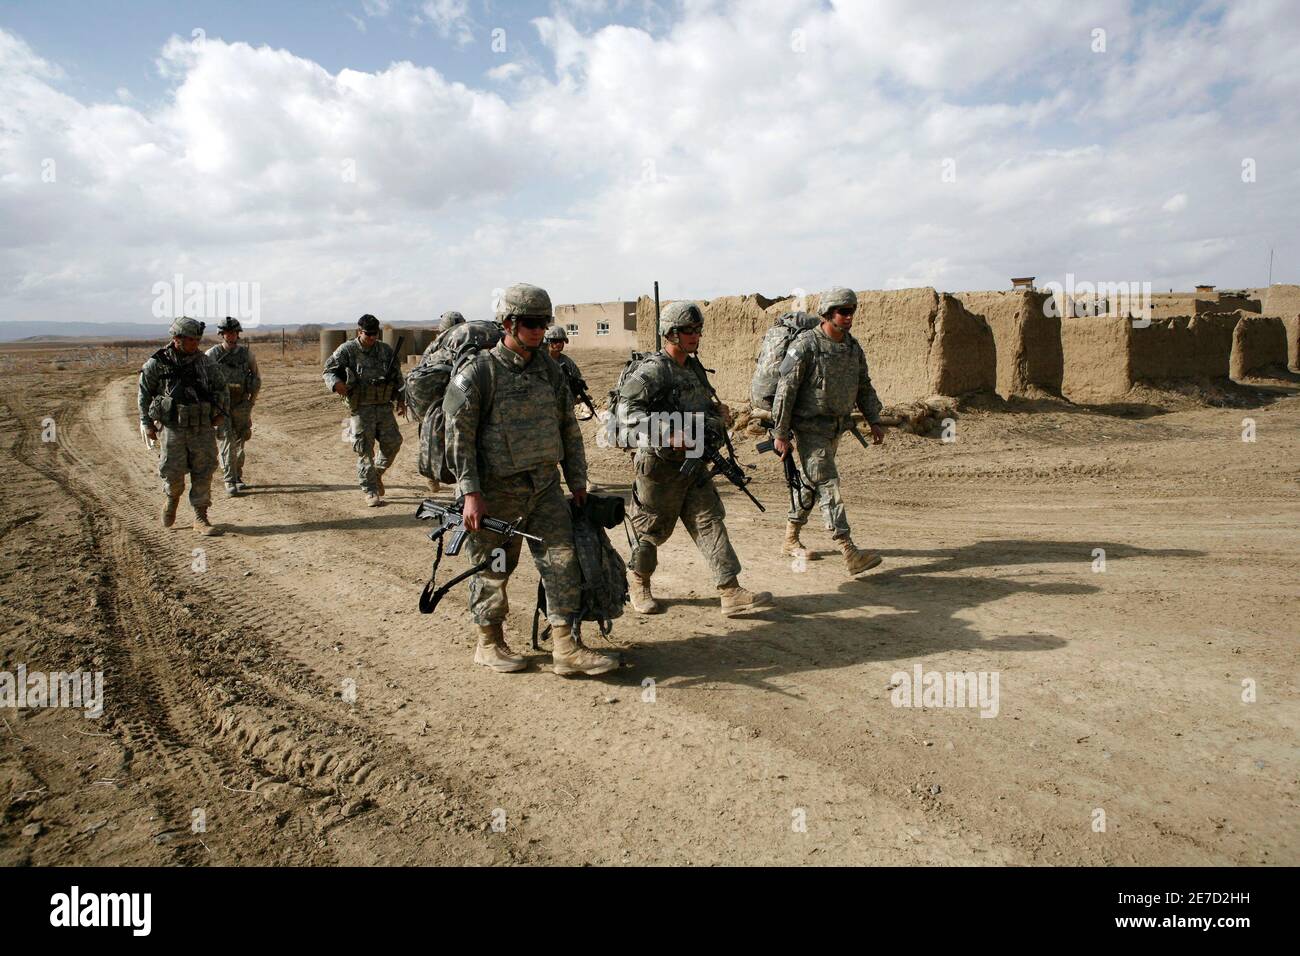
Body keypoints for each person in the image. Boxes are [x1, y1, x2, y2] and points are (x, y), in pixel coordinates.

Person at [443, 283, 616, 677]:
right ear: (508, 323)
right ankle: (488, 643)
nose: (539, 331)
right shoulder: (479, 372)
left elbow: (568, 427)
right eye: (530, 323)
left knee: (562, 562)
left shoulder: (550, 371)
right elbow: (459, 438)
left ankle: (565, 647)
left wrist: (577, 480)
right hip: (495, 493)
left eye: (544, 323)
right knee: (495, 567)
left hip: (543, 489)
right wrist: (470, 493)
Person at [617, 301, 773, 617]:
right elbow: (624, 414)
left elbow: (699, 407)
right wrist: (666, 432)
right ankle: (638, 580)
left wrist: (718, 415)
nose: (695, 335)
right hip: (660, 467)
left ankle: (730, 590)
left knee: (709, 520)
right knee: (652, 530)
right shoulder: (654, 370)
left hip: (695, 461)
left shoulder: (694, 368)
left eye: (698, 330)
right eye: (688, 330)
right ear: (671, 333)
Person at [770, 286, 885, 575]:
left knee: (811, 483)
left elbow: (863, 384)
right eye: (843, 312)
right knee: (828, 482)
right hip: (809, 427)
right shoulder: (805, 345)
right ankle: (848, 549)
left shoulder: (851, 347)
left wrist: (874, 419)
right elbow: (786, 390)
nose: (848, 317)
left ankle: (789, 538)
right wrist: (780, 434)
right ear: (827, 314)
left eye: (851, 312)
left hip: (836, 426)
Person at [138, 317, 230, 535]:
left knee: (204, 470)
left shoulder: (205, 362)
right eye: (190, 340)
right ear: (176, 338)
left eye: (197, 340)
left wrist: (221, 415)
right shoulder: (157, 363)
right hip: (173, 429)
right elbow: (144, 394)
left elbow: (222, 389)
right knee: (173, 472)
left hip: (202, 427)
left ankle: (201, 518)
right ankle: (171, 499)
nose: (195, 344)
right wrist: (146, 423)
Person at [322, 314, 406, 507]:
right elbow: (328, 371)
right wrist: (336, 384)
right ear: (359, 332)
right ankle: (370, 490)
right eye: (368, 334)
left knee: (393, 443)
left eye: (375, 334)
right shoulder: (347, 350)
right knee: (364, 450)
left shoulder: (386, 351)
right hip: (361, 408)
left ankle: (376, 473)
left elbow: (398, 378)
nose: (372, 338)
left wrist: (402, 400)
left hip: (384, 406)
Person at [206, 316, 261, 495]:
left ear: (238, 334)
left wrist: (250, 402)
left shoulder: (246, 354)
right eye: (227, 333)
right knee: (226, 442)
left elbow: (256, 379)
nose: (231, 336)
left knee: (240, 442)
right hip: (221, 406)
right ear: (221, 334)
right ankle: (229, 479)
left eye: (234, 333)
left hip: (241, 405)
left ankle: (237, 476)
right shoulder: (211, 355)